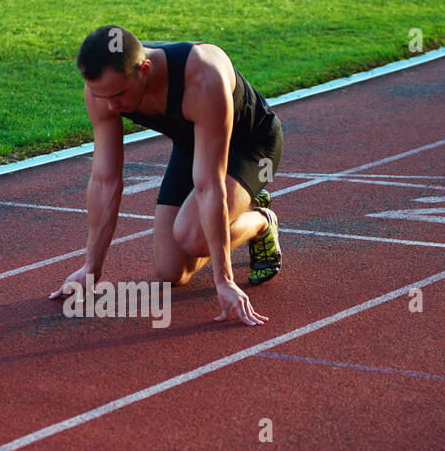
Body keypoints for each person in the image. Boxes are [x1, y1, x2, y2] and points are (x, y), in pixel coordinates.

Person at [49, 25, 284, 326]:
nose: (110, 106)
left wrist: (224, 280)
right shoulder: (105, 89)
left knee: (193, 236)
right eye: (100, 95)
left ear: (145, 69)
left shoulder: (202, 76)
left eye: (118, 95)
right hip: (193, 143)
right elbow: (104, 180)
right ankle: (234, 211)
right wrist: (91, 269)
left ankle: (262, 221)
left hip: (250, 145)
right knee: (171, 272)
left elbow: (209, 185)